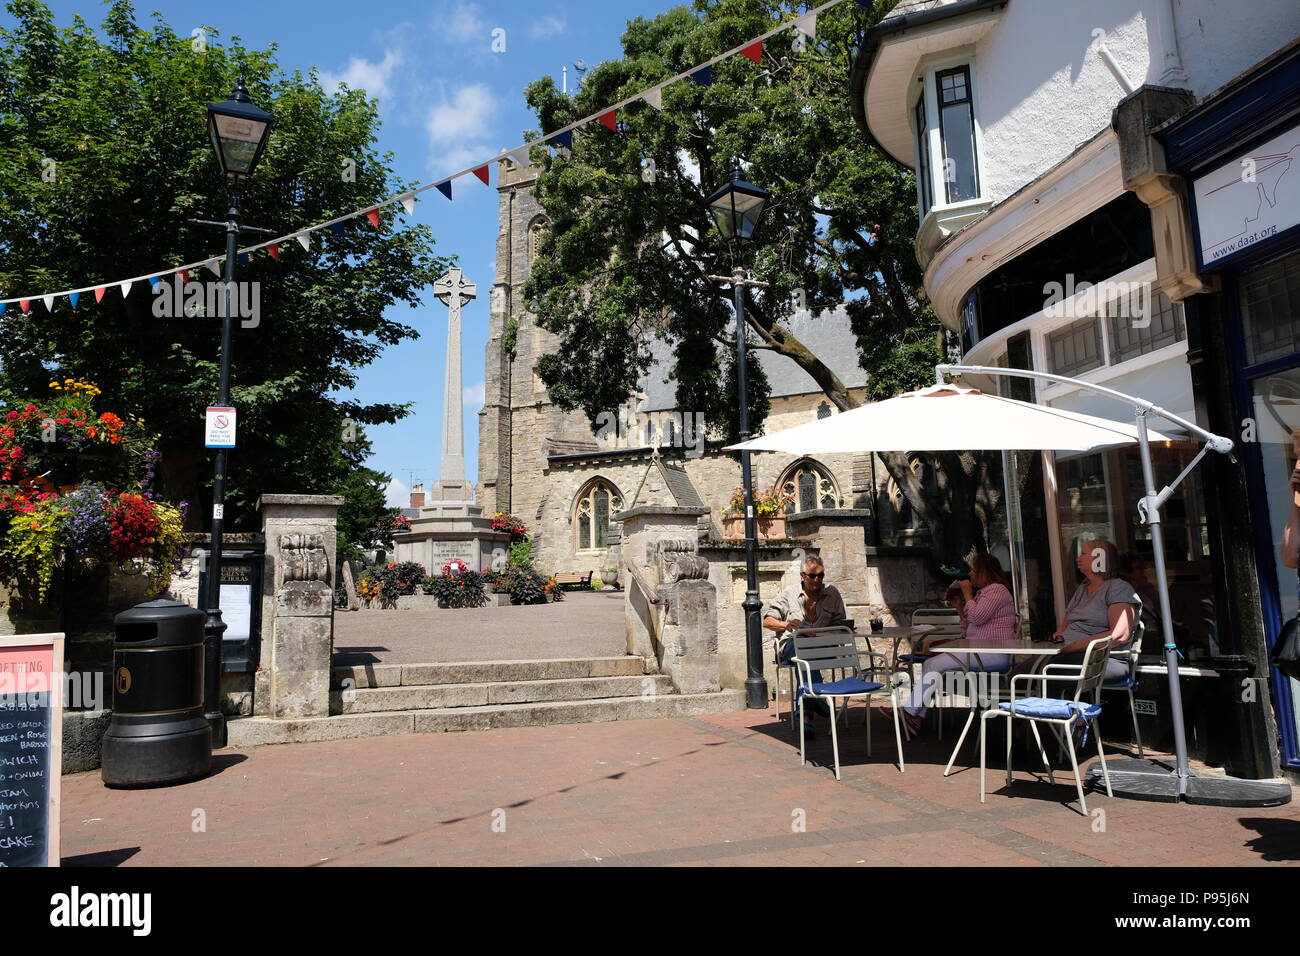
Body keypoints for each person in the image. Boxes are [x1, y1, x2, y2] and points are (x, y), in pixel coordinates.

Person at [886, 553, 1018, 735]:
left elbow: (978, 617)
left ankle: (910, 713)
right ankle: (915, 716)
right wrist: (959, 607)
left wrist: (967, 593)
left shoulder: (997, 590)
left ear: (984, 573)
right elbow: (969, 628)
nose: (970, 575)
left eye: (974, 570)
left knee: (933, 664)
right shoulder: (984, 593)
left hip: (992, 653)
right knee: (931, 664)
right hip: (980, 651)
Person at [763, 555, 847, 734]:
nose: (817, 580)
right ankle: (818, 698)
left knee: (804, 657)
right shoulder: (789, 594)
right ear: (803, 576)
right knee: (801, 648)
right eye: (813, 576)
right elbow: (767, 621)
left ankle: (805, 715)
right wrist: (786, 624)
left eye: (821, 576)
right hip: (791, 645)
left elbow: (842, 625)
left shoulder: (832, 594)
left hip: (822, 645)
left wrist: (817, 634)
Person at [1049, 538, 1141, 684]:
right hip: (1069, 654)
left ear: (1100, 558)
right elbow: (1065, 624)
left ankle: (1060, 707)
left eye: (1083, 554)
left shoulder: (1118, 588)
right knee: (1021, 671)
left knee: (1043, 672)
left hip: (1104, 659)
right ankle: (1002, 703)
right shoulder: (1083, 588)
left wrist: (1072, 647)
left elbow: (1119, 635)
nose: (1078, 558)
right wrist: (1056, 640)